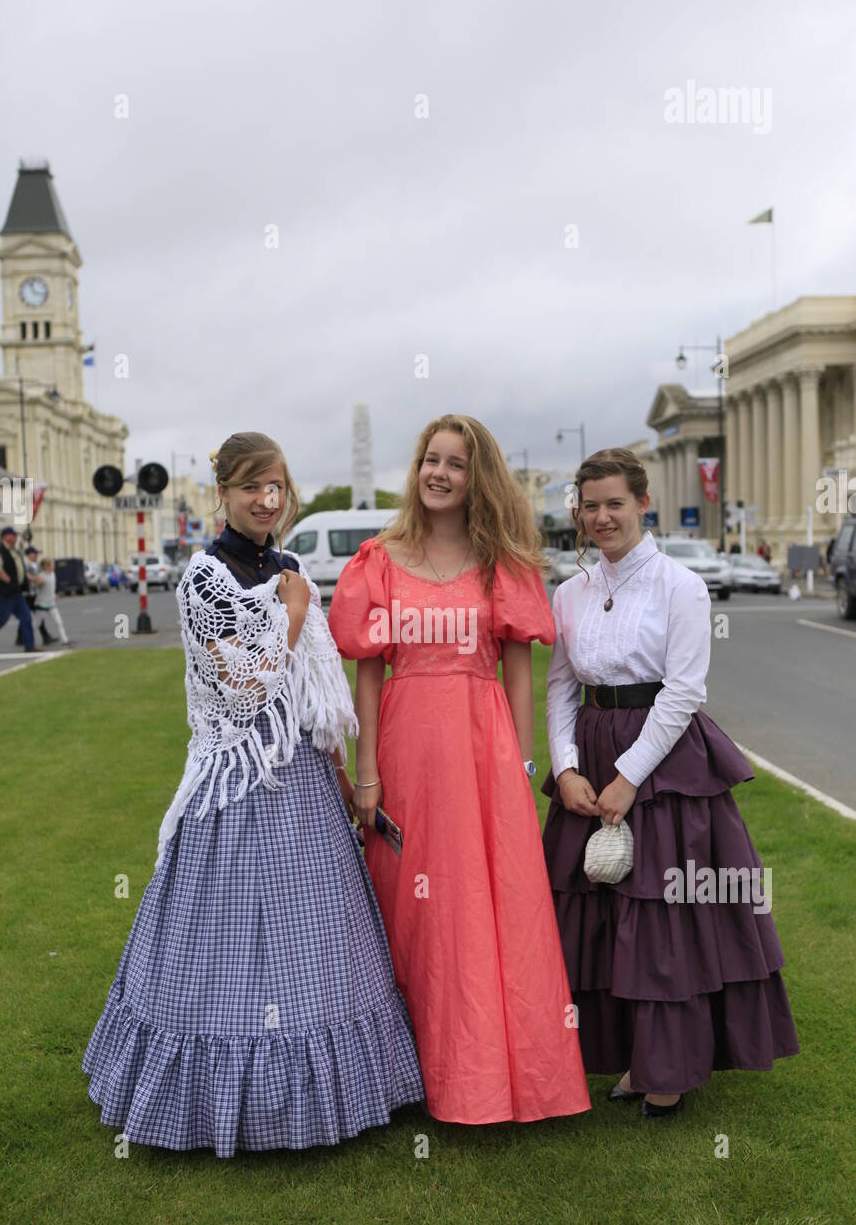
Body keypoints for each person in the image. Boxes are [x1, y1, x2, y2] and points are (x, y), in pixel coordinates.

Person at [83, 431, 424, 1157]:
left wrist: (343, 768)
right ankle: (216, 1099)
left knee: (314, 934)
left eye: (276, 487)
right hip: (235, 782)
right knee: (224, 936)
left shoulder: (293, 564)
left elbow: (317, 686)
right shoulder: (203, 579)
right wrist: (293, 613)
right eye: (251, 489)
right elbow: (238, 693)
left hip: (300, 774)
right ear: (225, 495)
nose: (267, 501)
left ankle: (322, 1089)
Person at [328, 414, 591, 1126]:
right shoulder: (378, 560)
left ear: (479, 478)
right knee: (413, 911)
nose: (439, 474)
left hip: (484, 753)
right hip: (405, 755)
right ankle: (403, 1074)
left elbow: (519, 676)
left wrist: (524, 764)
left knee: (488, 911)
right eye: (429, 461)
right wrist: (366, 774)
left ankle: (485, 1078)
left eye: (455, 464)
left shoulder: (502, 562)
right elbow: (368, 675)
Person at [542, 448, 799, 1118]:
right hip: (591, 756)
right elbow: (561, 688)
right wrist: (565, 767)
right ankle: (625, 1057)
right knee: (599, 913)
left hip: (663, 762)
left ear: (642, 503)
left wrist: (628, 778)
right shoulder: (568, 593)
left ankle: (669, 1068)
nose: (601, 516)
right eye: (590, 505)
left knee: (661, 916)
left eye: (614, 503)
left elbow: (684, 689)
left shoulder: (681, 586)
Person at [0, 527, 35, 651]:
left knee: (26, 617)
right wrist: (10, 581)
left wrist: (26, 578)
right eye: (13, 535)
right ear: (6, 536)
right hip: (5, 593)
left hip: (16, 592)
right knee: (2, 619)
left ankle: (29, 645)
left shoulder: (14, 550)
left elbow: (19, 567)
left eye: (15, 536)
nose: (15, 538)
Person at [23, 546, 59, 646]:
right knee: (33, 616)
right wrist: (36, 578)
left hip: (35, 593)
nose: (36, 555)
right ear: (29, 554)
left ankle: (23, 638)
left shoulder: (35, 564)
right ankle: (44, 637)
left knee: (31, 616)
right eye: (35, 553)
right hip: (28, 594)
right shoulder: (26, 564)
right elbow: (26, 576)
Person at [31, 557, 68, 645]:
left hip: (51, 604)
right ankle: (29, 640)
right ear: (46, 566)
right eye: (51, 565)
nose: (53, 566)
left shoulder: (53, 574)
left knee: (59, 622)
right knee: (36, 624)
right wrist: (37, 583)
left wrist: (54, 595)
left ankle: (65, 640)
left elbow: (51, 588)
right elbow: (35, 587)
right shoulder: (41, 576)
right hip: (42, 604)